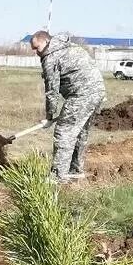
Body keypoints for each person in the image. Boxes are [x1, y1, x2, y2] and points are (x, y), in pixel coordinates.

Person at [29, 30, 106, 182]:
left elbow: (52, 91)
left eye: (36, 48)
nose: (35, 52)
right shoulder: (69, 47)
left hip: (82, 94)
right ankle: (74, 170)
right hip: (98, 91)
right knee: (80, 132)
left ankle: (58, 177)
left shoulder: (50, 57)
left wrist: (49, 117)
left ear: (45, 42)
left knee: (64, 133)